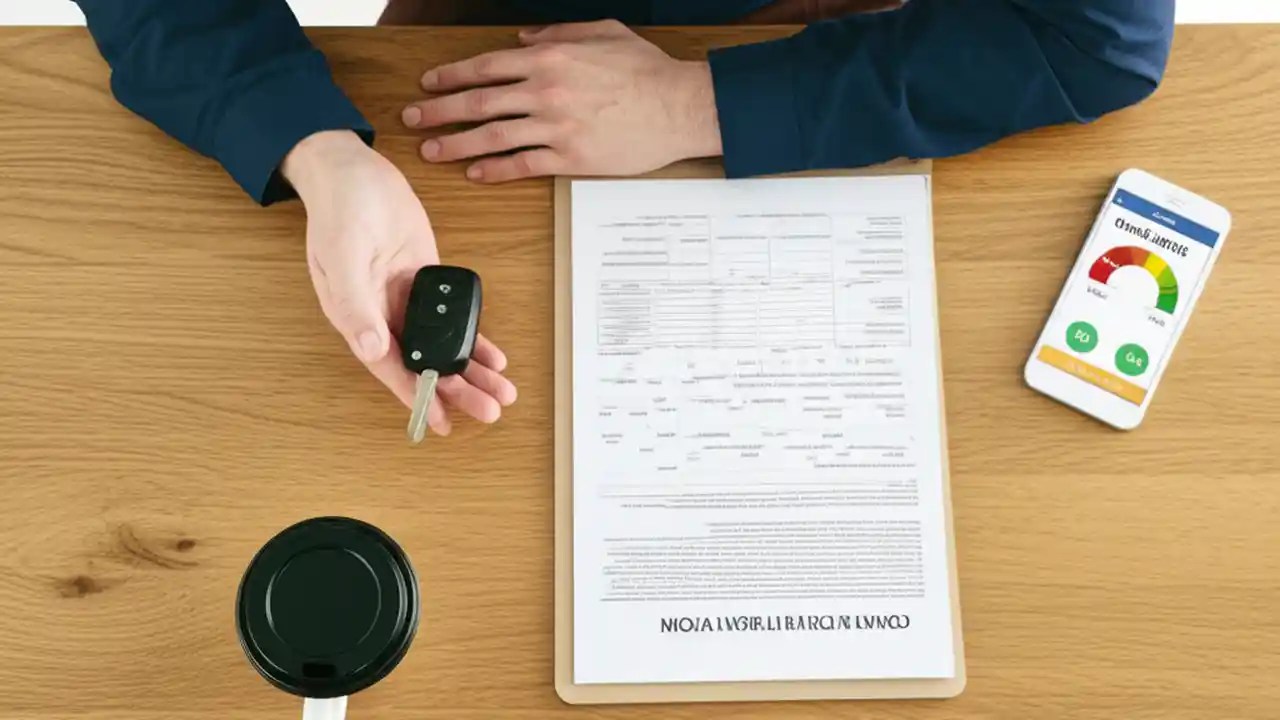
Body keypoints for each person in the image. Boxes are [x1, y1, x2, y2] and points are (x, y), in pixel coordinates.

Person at [73, 0, 1175, 437]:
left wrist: (694, 100)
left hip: (827, 45)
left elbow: (1099, 33)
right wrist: (309, 147)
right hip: (472, 44)